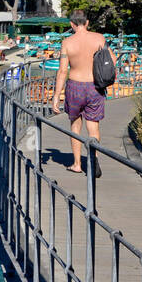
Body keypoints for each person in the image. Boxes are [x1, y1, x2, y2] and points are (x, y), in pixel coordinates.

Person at [52, 10, 113, 175]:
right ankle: (93, 159)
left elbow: (62, 71)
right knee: (93, 127)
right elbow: (112, 61)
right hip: (95, 86)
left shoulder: (67, 42)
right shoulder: (99, 38)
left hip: (75, 87)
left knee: (75, 125)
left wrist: (56, 96)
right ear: (87, 23)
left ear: (72, 24)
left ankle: (77, 164)